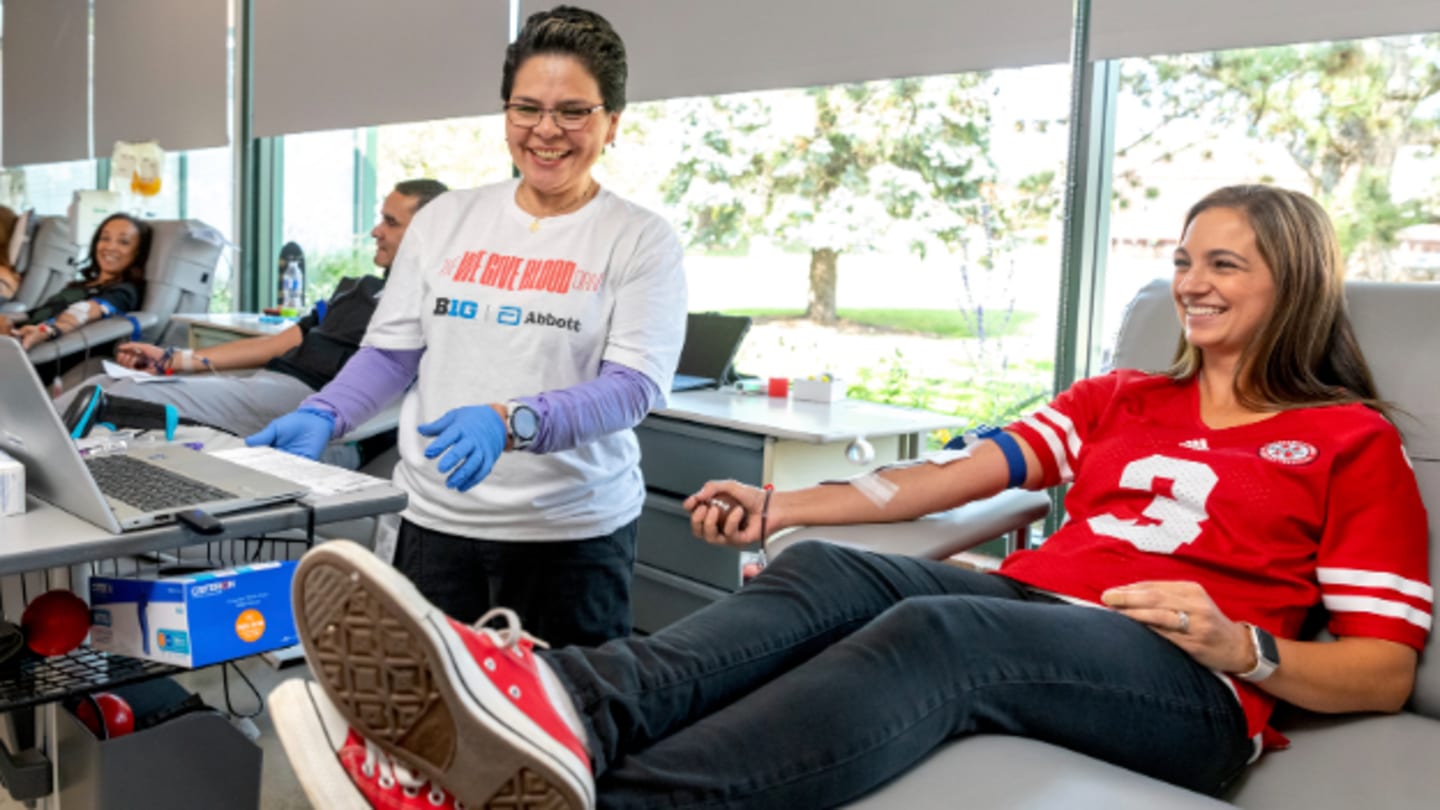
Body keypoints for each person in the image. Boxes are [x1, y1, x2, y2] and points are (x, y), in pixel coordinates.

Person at [269, 184, 1429, 810]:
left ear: (1294, 279)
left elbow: (1378, 668)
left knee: (940, 624)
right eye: (1183, 258)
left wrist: (1250, 650)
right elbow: (940, 480)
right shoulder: (1123, 395)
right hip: (1046, 616)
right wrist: (788, 514)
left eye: (1223, 263)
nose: (1190, 282)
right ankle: (556, 707)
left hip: (1193, 690)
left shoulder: (1348, 439)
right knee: (831, 577)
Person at [248, 6, 687, 647]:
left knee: (562, 729)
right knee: (432, 722)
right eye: (526, 108)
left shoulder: (640, 239)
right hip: (433, 525)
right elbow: (393, 355)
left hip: (568, 536)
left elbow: (633, 388)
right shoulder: (447, 219)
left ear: (612, 122)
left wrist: (512, 421)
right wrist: (327, 413)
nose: (546, 131)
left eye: (573, 111)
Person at [52, 179, 449, 440]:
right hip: (265, 381)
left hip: (309, 399)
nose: (376, 230)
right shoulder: (358, 288)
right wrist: (173, 359)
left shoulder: (426, 302)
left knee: (112, 400)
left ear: (425, 232)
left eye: (390, 222)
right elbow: (279, 344)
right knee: (99, 387)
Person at [1, 214, 152, 377]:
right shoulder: (80, 285)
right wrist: (8, 320)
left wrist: (50, 330)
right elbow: (42, 312)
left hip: (46, 358)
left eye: (123, 242)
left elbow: (85, 311)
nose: (110, 247)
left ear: (137, 252)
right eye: (105, 238)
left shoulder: (125, 291)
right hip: (18, 348)